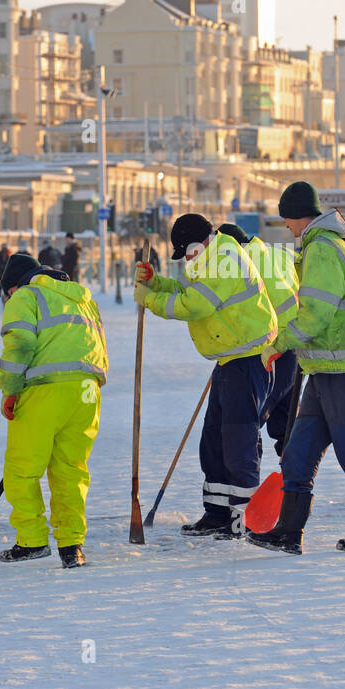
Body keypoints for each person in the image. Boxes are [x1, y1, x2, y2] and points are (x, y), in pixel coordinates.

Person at [247, 181, 345, 555]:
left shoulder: (323, 250)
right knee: (299, 451)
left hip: (341, 366)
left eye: (287, 220)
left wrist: (280, 343)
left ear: (300, 216)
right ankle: (288, 532)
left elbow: (316, 314)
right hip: (324, 366)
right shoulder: (334, 245)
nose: (287, 228)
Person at [135, 214, 277, 537]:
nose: (185, 260)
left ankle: (243, 518)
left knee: (238, 440)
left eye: (186, 252)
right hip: (229, 360)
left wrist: (152, 301)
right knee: (213, 440)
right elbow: (183, 289)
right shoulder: (207, 259)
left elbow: (195, 304)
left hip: (249, 359)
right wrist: (155, 283)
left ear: (201, 243)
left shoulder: (226, 259)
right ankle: (217, 513)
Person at [0, 253, 107, 569]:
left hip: (44, 389)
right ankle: (72, 546)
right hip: (87, 391)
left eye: (7, 294)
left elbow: (19, 346)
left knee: (22, 468)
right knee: (71, 470)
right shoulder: (83, 297)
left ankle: (31, 540)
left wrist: (10, 390)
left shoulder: (25, 296)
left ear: (13, 286)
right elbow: (99, 344)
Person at [216, 222, 300, 456]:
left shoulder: (243, 263)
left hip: (269, 351)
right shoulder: (276, 253)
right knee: (286, 423)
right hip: (294, 346)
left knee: (250, 420)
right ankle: (293, 484)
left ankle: (251, 479)